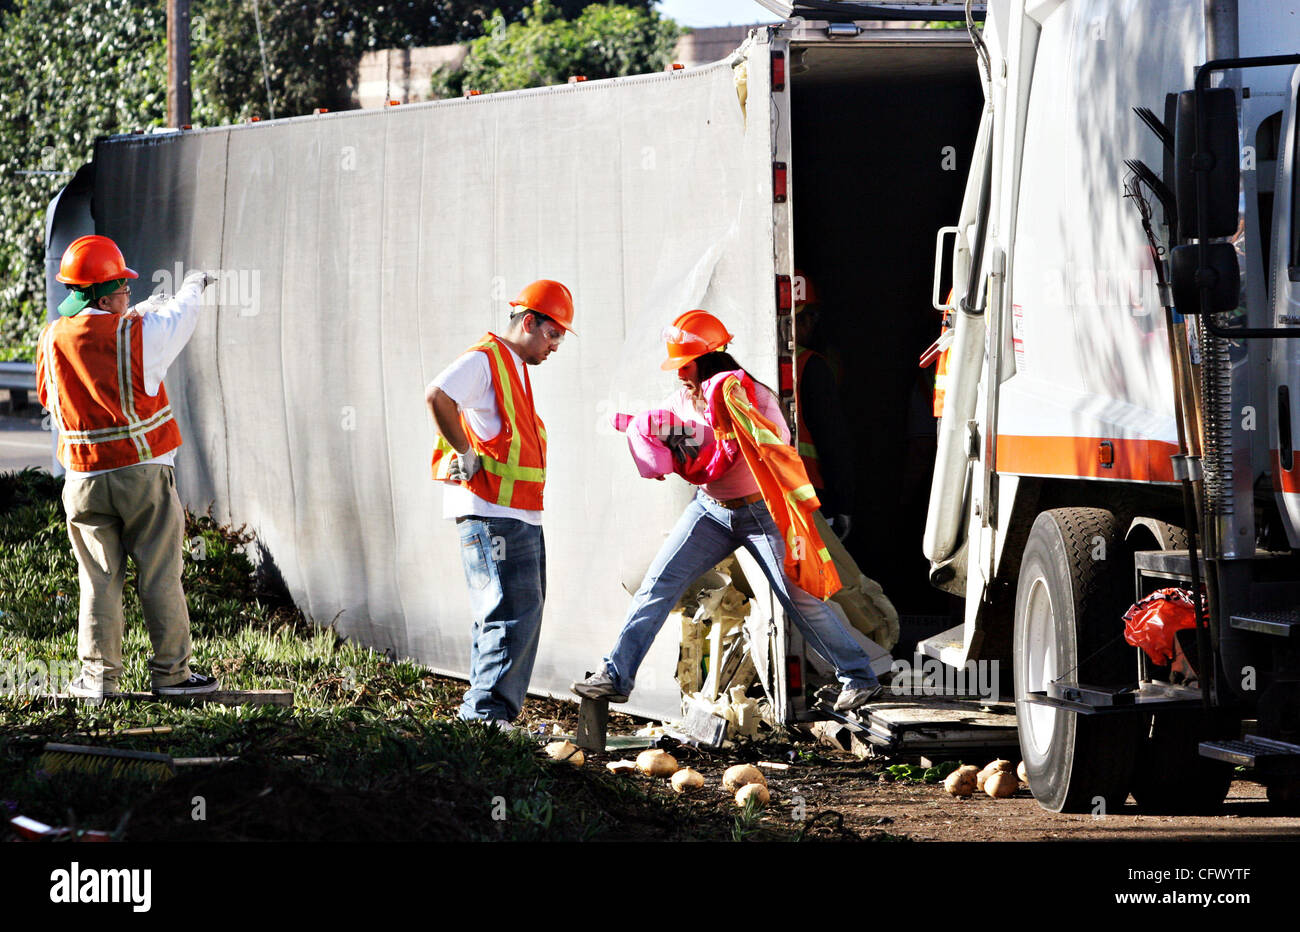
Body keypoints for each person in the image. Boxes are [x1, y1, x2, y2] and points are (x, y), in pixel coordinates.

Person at [572, 309, 882, 712]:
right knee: (657, 587)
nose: (679, 374)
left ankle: (859, 677)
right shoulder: (683, 398)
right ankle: (614, 677)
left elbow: (774, 449)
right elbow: (668, 434)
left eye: (684, 364)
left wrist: (721, 437)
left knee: (800, 599)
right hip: (710, 511)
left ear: (706, 359)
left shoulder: (754, 399)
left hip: (761, 514)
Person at [37, 234, 218, 699]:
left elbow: (52, 394)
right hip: (143, 474)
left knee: (97, 580)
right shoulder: (137, 334)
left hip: (82, 480)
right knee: (159, 573)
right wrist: (193, 287)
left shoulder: (52, 339)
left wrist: (134, 315)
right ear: (102, 293)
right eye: (123, 290)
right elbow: (180, 320)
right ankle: (173, 676)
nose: (128, 297)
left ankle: (98, 680)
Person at [426, 279, 576, 725]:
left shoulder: (512, 366)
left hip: (512, 515)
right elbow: (438, 395)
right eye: (553, 334)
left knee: (509, 614)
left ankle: (484, 715)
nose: (556, 346)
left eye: (562, 338)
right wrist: (466, 454)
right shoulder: (486, 359)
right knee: (510, 615)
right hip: (494, 515)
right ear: (528, 321)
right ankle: (487, 720)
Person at [794, 271, 900, 650]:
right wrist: (844, 505)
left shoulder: (750, 370)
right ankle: (855, 657)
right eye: (811, 317)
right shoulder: (812, 366)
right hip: (812, 497)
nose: (814, 326)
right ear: (799, 318)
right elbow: (834, 442)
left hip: (772, 499)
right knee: (827, 589)